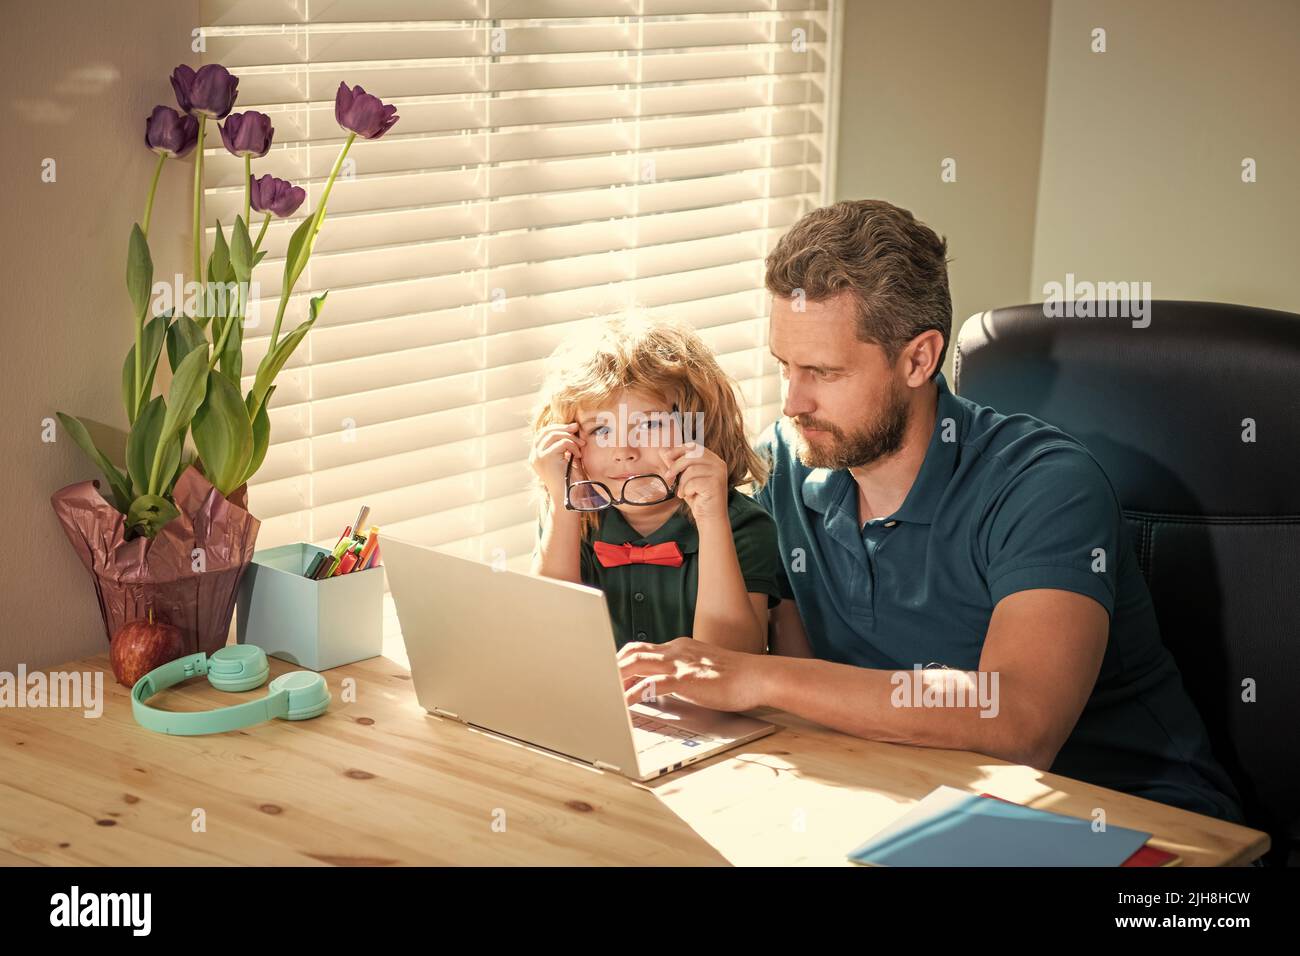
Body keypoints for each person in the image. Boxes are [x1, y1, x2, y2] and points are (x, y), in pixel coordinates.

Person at [616, 199, 1245, 823]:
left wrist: (760, 679)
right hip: (921, 801)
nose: (792, 403)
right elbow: (724, 620)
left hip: (1128, 820)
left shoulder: (1048, 486)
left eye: (823, 372)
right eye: (785, 366)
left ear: (919, 358)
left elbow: (1019, 721)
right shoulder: (789, 463)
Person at [529, 314, 782, 653]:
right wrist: (564, 502)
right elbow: (545, 644)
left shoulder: (742, 526)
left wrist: (711, 520)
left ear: (699, 432)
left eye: (649, 426)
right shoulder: (572, 518)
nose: (623, 452)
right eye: (600, 430)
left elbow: (733, 663)